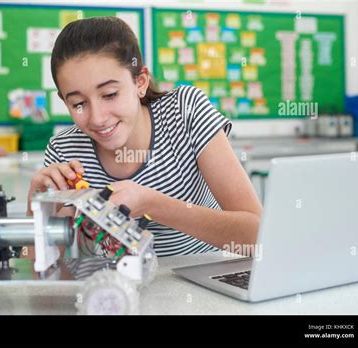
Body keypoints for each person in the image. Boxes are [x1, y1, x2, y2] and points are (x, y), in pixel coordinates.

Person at [28, 16, 262, 257]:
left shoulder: (185, 111)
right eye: (78, 103)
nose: (97, 118)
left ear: (140, 82)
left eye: (109, 94)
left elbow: (258, 235)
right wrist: (36, 208)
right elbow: (49, 267)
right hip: (119, 288)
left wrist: (152, 203)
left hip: (207, 282)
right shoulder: (64, 149)